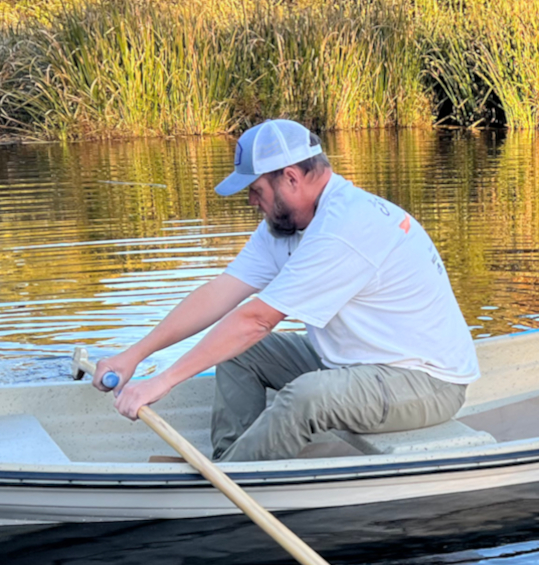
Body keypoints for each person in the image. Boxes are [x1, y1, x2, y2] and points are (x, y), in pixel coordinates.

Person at [94, 118, 479, 461]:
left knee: (306, 396)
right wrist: (134, 355)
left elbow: (257, 320)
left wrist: (162, 382)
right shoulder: (285, 226)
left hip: (426, 382)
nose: (250, 201)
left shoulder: (344, 227)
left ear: (291, 178)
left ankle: (232, 480)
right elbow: (221, 292)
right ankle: (233, 461)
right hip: (351, 363)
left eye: (256, 189)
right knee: (241, 354)